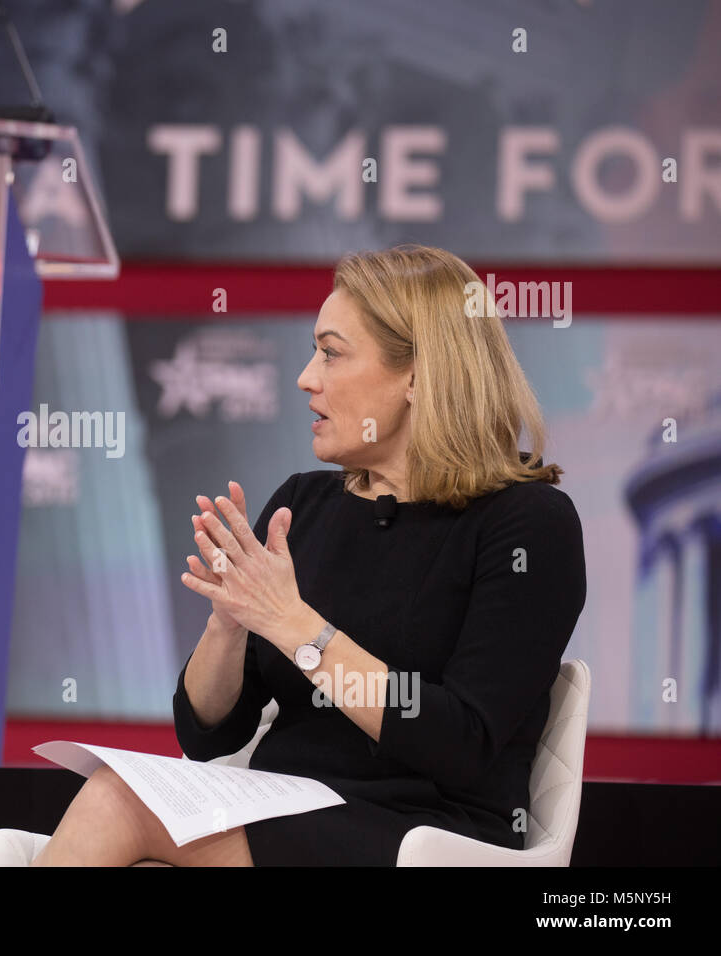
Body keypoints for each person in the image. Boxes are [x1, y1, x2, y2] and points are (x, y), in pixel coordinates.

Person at [33, 244, 586, 866]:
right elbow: (208, 733)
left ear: (416, 375)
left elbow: (461, 740)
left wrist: (298, 628)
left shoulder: (528, 525)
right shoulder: (306, 503)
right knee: (124, 805)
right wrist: (230, 624)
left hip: (427, 832)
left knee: (118, 802)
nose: (306, 377)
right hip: (281, 804)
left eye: (331, 353)